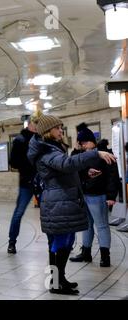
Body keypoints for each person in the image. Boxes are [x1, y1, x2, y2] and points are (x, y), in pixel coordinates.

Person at [27, 114, 116, 295]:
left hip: (60, 200)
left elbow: (62, 172)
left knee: (63, 243)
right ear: (47, 132)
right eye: (57, 128)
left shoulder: (51, 148)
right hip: (57, 203)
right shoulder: (46, 151)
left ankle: (58, 280)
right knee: (60, 243)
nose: (61, 130)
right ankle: (55, 282)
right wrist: (96, 153)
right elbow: (67, 164)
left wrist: (84, 174)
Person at [69, 124, 119, 267]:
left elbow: (112, 176)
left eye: (85, 142)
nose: (83, 145)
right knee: (87, 225)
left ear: (91, 140)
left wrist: (111, 196)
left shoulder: (104, 153)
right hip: (85, 195)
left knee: (102, 225)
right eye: (81, 143)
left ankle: (105, 256)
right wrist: (75, 149)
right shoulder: (80, 155)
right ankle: (86, 253)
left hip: (99, 196)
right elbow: (73, 168)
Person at [7, 113, 39, 254]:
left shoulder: (42, 138)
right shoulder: (20, 140)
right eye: (37, 124)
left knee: (50, 213)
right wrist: (28, 163)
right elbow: (13, 162)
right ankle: (12, 242)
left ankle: (55, 242)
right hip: (26, 181)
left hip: (42, 181)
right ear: (31, 124)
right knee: (19, 212)